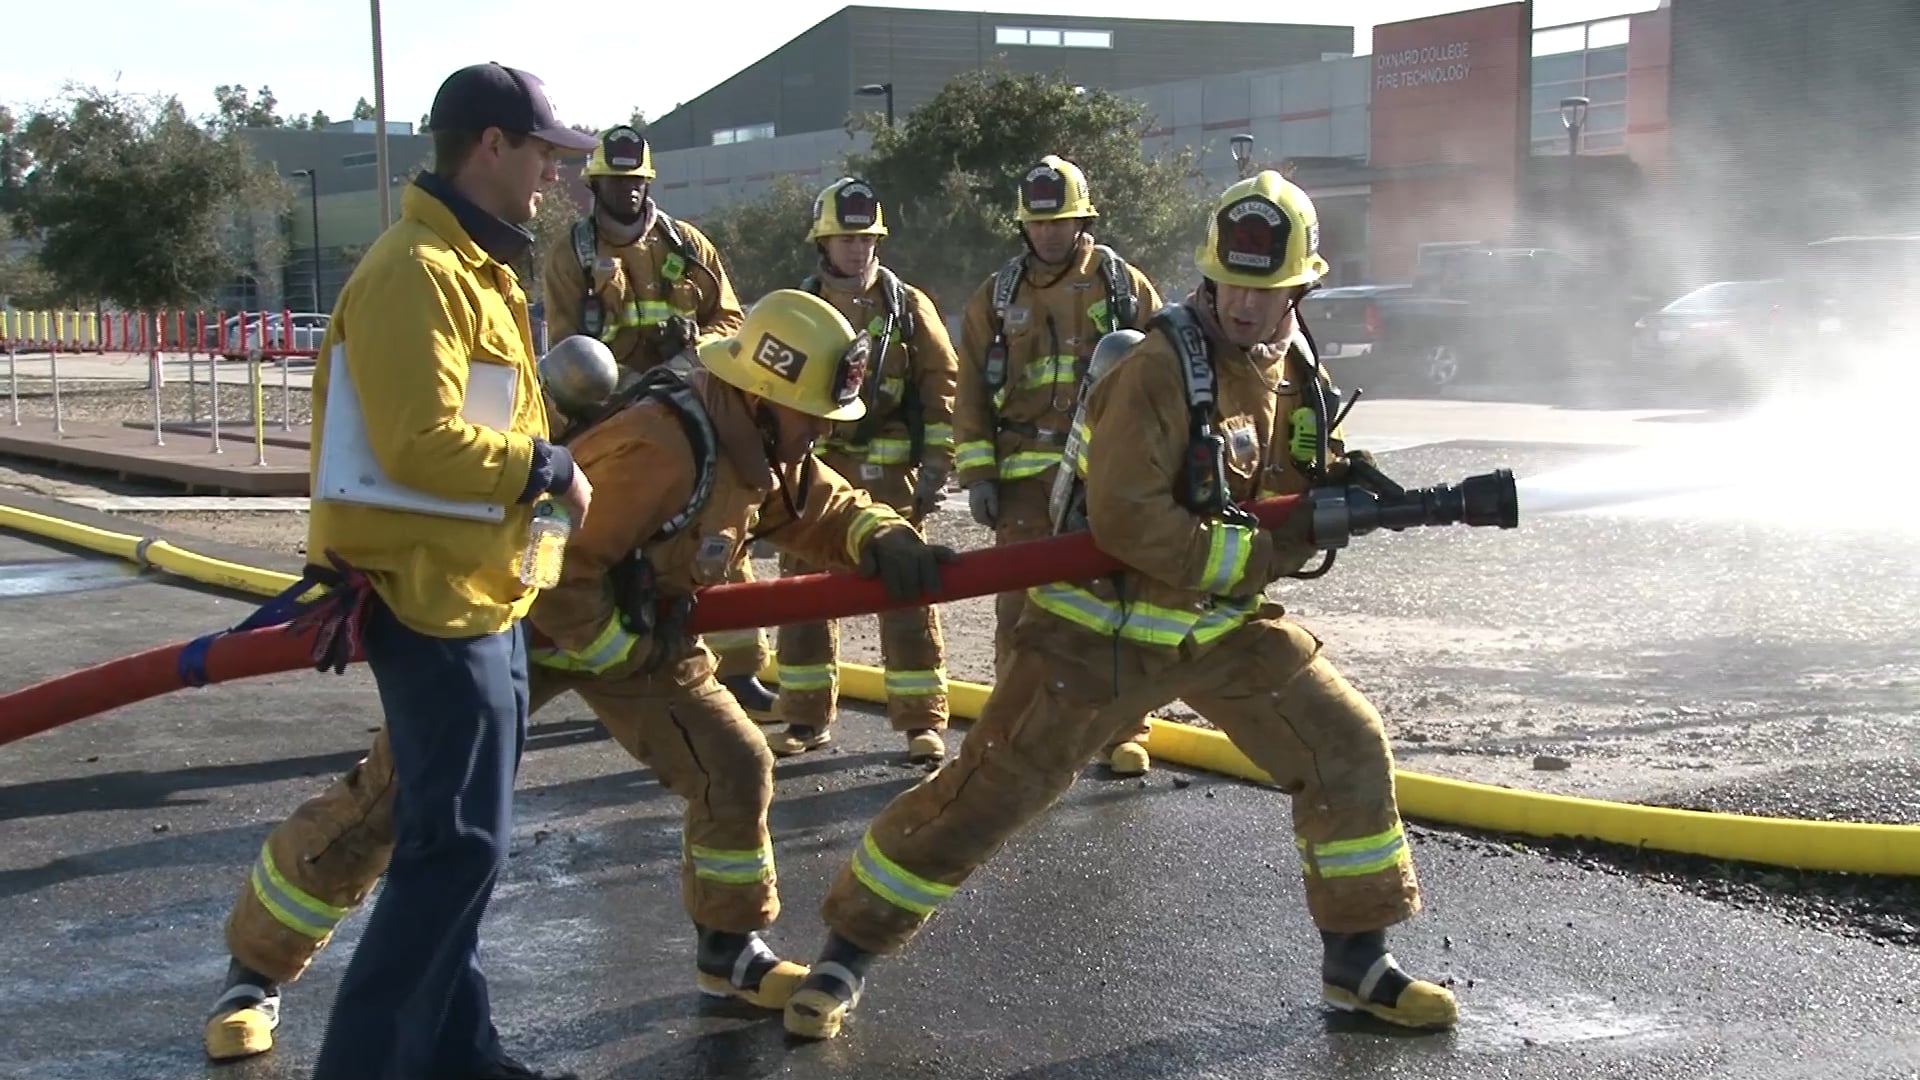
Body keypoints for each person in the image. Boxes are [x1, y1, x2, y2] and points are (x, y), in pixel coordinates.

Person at [197, 291, 955, 1071]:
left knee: (733, 764)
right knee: (396, 803)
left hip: (630, 638)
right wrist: (624, 643)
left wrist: (881, 534)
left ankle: (729, 947)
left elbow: (816, 504)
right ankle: (253, 974)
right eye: (814, 417)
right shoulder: (662, 447)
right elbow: (554, 570)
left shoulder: (758, 447)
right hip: (523, 629)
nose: (824, 432)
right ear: (762, 397)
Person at [782, 171, 1459, 1042]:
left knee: (1345, 742)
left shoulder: (1292, 366)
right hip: (1095, 629)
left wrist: (1338, 487)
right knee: (988, 793)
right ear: (1210, 278)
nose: (1247, 309)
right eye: (1232, 287)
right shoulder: (1157, 367)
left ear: (1303, 288)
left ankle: (1358, 964)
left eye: (1269, 292)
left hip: (1213, 625)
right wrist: (1258, 553)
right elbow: (1131, 518)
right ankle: (844, 955)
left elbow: (1278, 476)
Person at [234, 62, 598, 1080]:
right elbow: (419, 443)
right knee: (455, 852)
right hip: (429, 603)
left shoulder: (474, 271)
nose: (552, 178)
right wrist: (547, 465)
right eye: (541, 155)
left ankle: (458, 1055)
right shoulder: (414, 274)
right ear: (490, 146)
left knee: (459, 851)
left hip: (480, 594)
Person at [536, 124, 777, 718]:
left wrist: (689, 349)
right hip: (608, 414)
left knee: (720, 535)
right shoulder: (572, 256)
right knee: (601, 538)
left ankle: (739, 671)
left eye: (639, 181)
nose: (631, 192)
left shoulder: (689, 246)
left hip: (695, 405)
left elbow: (731, 322)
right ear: (597, 185)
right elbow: (568, 348)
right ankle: (573, 662)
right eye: (619, 182)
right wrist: (633, 379)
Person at [949, 154, 1166, 776]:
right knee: (1019, 612)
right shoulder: (997, 296)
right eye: (1038, 224)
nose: (1048, 233)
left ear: (1082, 220)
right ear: (1024, 226)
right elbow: (968, 391)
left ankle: (1125, 731)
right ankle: (1011, 733)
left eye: (1060, 222)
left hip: (1108, 477)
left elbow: (1166, 376)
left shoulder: (1124, 286)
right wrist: (979, 475)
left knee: (1115, 603)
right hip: (1023, 481)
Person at [767, 177, 960, 764]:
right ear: (822, 243)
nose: (858, 249)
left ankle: (921, 724)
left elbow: (941, 386)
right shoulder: (799, 308)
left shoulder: (907, 308)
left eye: (867, 238)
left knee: (907, 598)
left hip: (892, 481)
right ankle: (803, 718)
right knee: (804, 598)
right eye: (845, 238)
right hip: (814, 479)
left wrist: (937, 466)